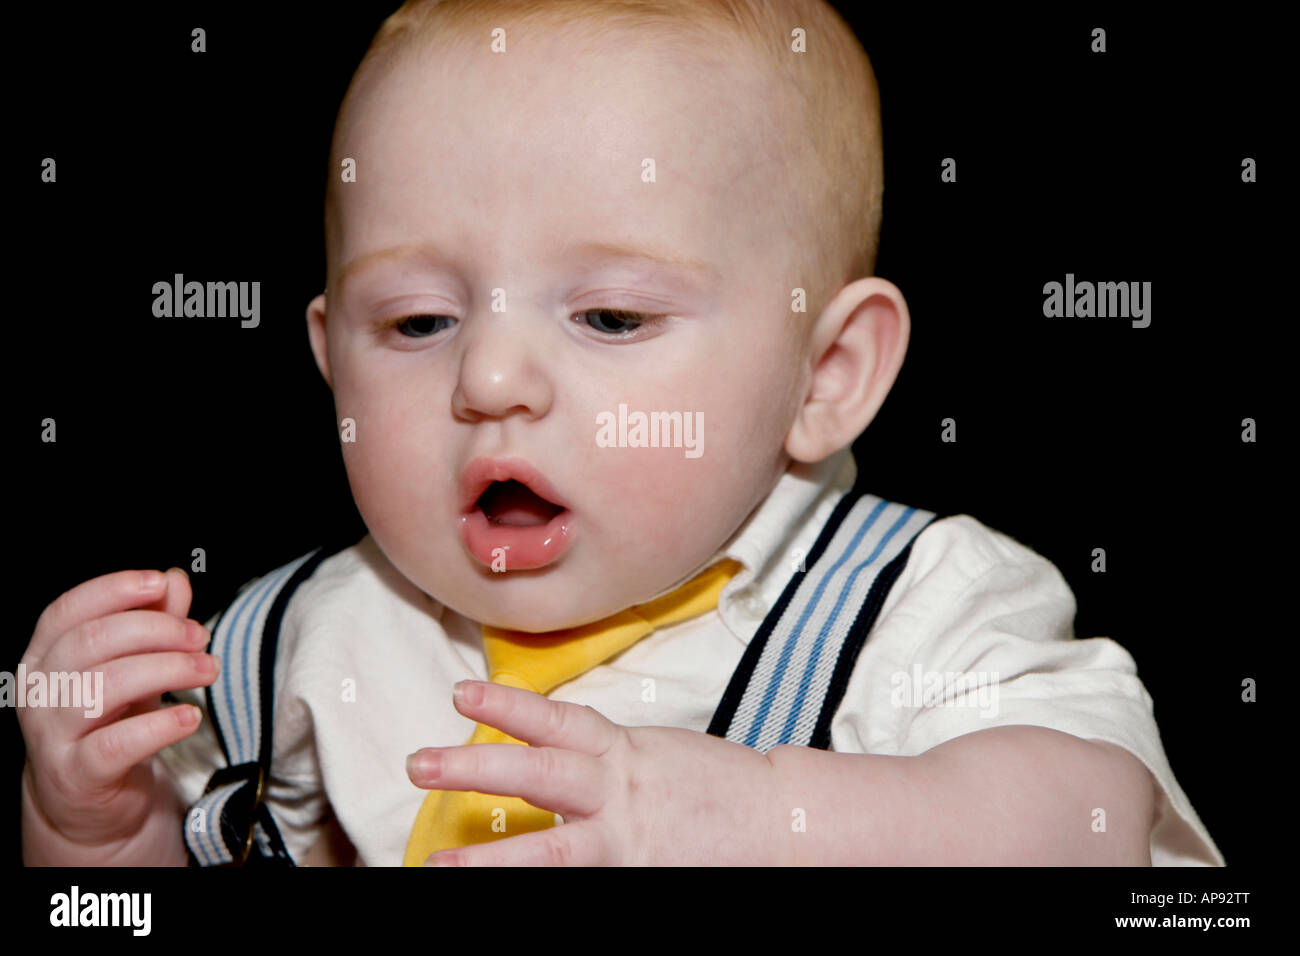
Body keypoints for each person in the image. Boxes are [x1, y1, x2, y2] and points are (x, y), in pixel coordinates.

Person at [19, 0, 1222, 867]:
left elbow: (1092, 823)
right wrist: (97, 832)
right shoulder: (287, 645)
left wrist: (756, 814)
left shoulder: (912, 605)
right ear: (331, 356)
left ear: (826, 372)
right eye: (420, 318)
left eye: (609, 314)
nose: (489, 375)